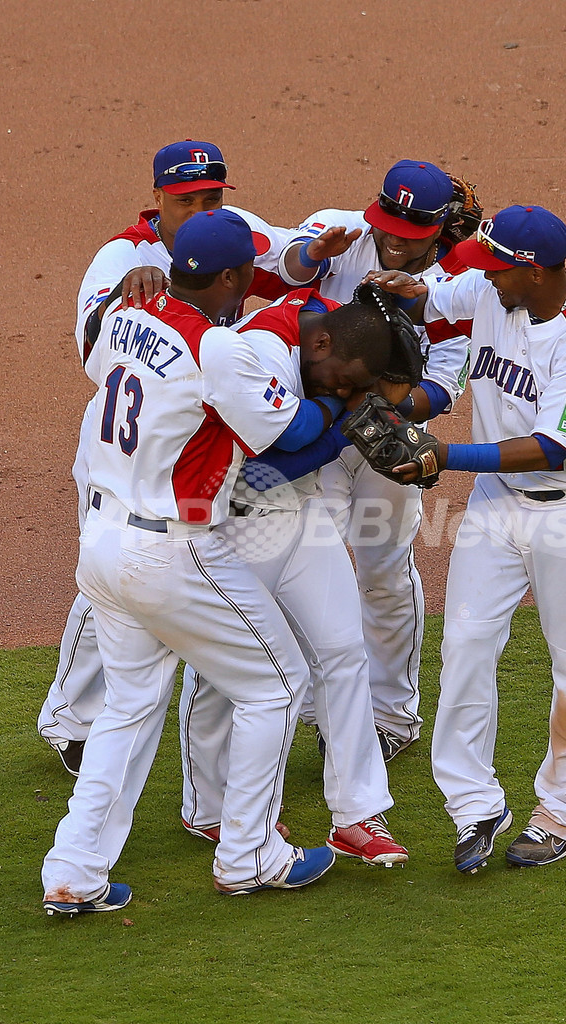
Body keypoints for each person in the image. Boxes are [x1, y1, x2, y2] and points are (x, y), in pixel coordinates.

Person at [42, 209, 339, 914]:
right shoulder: (218, 351)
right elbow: (291, 434)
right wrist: (341, 406)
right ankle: (250, 854)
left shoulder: (125, 315)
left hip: (101, 544)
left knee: (127, 705)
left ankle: (74, 873)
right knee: (276, 683)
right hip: (168, 550)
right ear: (233, 278)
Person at [366, 205, 566, 871]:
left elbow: (548, 448)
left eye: (498, 269)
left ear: (535, 271)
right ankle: (473, 804)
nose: (484, 279)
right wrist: (406, 290)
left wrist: (441, 456)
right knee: (464, 643)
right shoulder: (492, 289)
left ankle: (561, 813)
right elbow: (433, 296)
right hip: (495, 504)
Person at [37, 140, 291, 775]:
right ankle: (70, 717)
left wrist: (323, 246)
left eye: (211, 197)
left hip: (185, 440)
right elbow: (90, 347)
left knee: (126, 576)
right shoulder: (123, 255)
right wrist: (126, 296)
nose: (199, 209)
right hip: (125, 449)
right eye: (186, 201)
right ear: (157, 198)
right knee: (115, 580)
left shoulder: (227, 232)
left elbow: (289, 257)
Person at [180, 289, 409, 867]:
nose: (341, 388)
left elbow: (317, 435)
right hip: (231, 527)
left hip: (302, 516)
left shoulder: (327, 332)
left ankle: (356, 814)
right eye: (344, 379)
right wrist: (345, 420)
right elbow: (269, 463)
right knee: (217, 674)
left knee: (342, 649)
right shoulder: (258, 348)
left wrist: (354, 408)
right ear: (322, 343)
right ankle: (208, 807)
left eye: (353, 386)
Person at [275, 160, 476, 759]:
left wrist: (385, 407)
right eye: (386, 223)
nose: (391, 240)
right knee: (309, 567)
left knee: (384, 573)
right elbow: (271, 269)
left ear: (439, 229)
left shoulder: (459, 285)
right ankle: (317, 708)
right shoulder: (340, 234)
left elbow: (445, 380)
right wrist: (311, 258)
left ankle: (390, 714)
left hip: (385, 441)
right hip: (319, 438)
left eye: (409, 233)